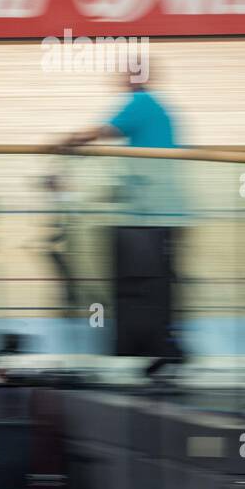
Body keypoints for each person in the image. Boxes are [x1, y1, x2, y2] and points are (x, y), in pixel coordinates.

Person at [59, 72, 187, 379]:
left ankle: (164, 348)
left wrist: (67, 141)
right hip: (162, 210)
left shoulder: (141, 101)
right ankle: (167, 349)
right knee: (160, 283)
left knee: (147, 283)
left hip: (155, 214)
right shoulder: (158, 106)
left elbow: (104, 131)